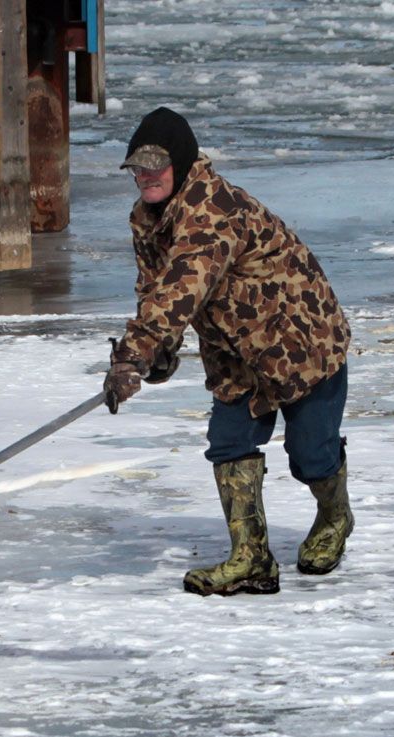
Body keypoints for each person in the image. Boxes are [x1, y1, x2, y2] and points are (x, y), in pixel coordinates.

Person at [103, 107, 354, 597]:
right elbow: (156, 290)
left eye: (155, 164)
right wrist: (154, 355)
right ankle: (251, 558)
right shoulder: (148, 219)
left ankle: (335, 516)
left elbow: (182, 287)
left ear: (181, 161)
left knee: (311, 456)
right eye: (137, 166)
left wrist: (135, 351)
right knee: (228, 442)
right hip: (235, 353)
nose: (145, 175)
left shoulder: (213, 213)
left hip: (299, 344)